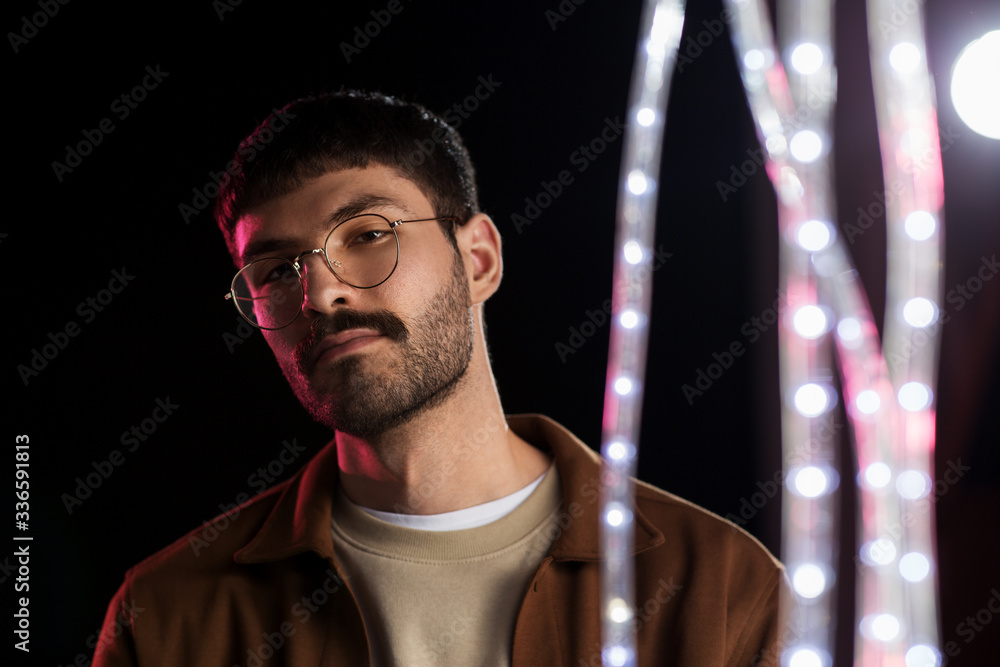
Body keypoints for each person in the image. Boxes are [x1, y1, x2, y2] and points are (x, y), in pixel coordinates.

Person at [93, 90, 787, 666]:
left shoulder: (720, 588)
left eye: (368, 234)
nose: (322, 294)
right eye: (277, 271)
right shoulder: (166, 618)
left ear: (478, 259)